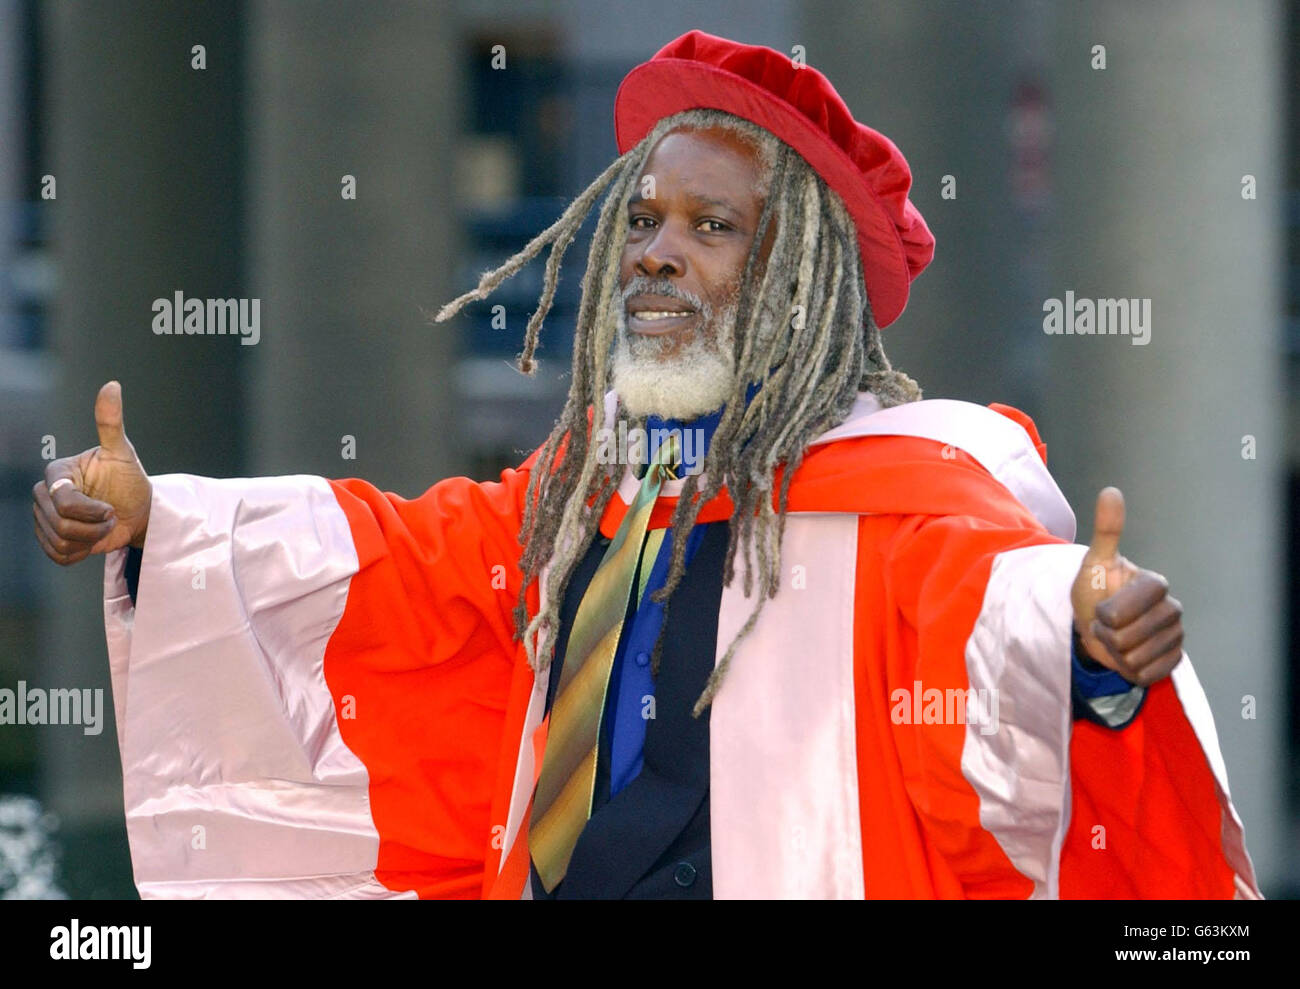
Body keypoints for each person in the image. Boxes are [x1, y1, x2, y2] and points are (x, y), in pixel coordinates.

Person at [32, 30, 1257, 899]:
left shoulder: (899, 502)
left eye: (711, 227)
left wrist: (1089, 648)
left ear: (796, 279)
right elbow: (397, 558)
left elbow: (992, 621)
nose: (655, 255)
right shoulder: (590, 492)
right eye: (643, 219)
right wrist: (163, 520)